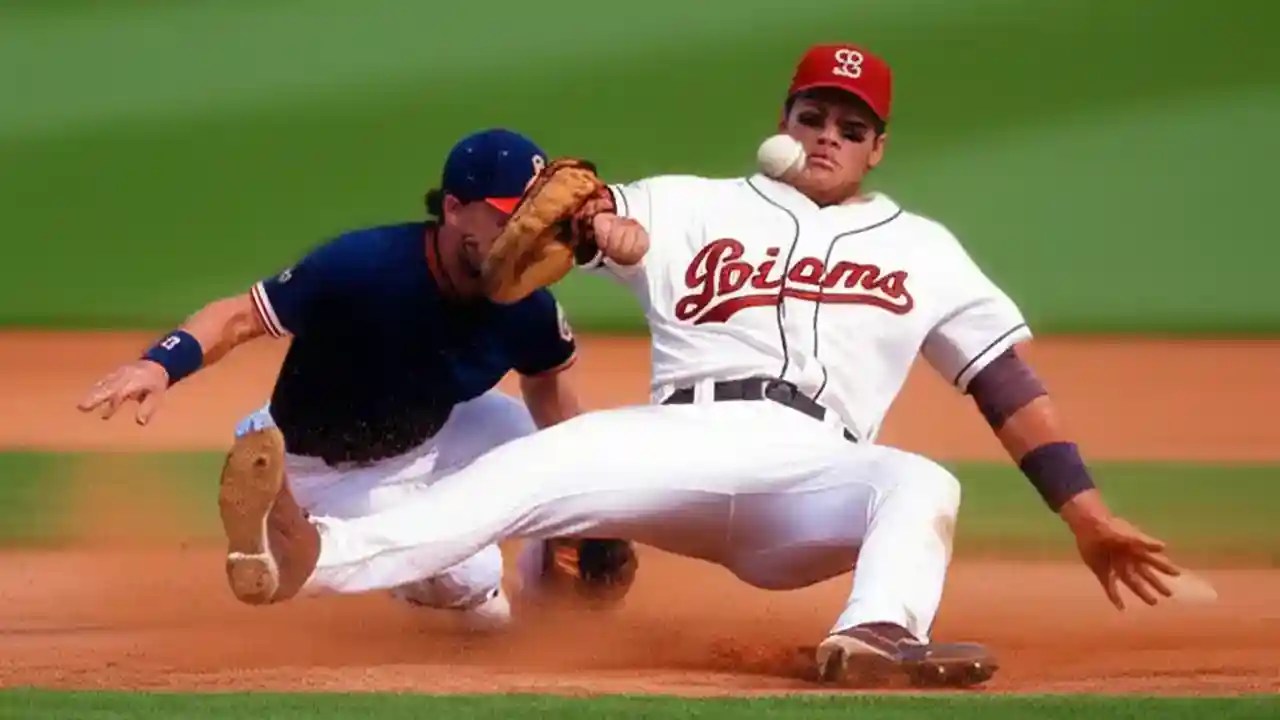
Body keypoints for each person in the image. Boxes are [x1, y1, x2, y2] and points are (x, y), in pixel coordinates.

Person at [195, 45, 1182, 687]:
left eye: (849, 127)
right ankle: (311, 556)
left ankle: (875, 635)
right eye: (812, 116)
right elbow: (547, 229)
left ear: (876, 147)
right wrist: (599, 231)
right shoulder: (693, 203)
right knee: (531, 467)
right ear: (785, 120)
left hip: (810, 480)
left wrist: (1085, 515)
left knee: (918, 480)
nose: (826, 136)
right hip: (680, 444)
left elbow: (1003, 385)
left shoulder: (925, 250)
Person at [76, 128, 637, 633]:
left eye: (532, 215)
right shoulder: (367, 266)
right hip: (324, 468)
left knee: (557, 455)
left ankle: (549, 601)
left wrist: (594, 513)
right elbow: (242, 316)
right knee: (473, 578)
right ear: (454, 209)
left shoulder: (527, 305)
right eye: (506, 215)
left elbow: (547, 392)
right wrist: (160, 363)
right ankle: (294, 532)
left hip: (440, 430)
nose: (524, 231)